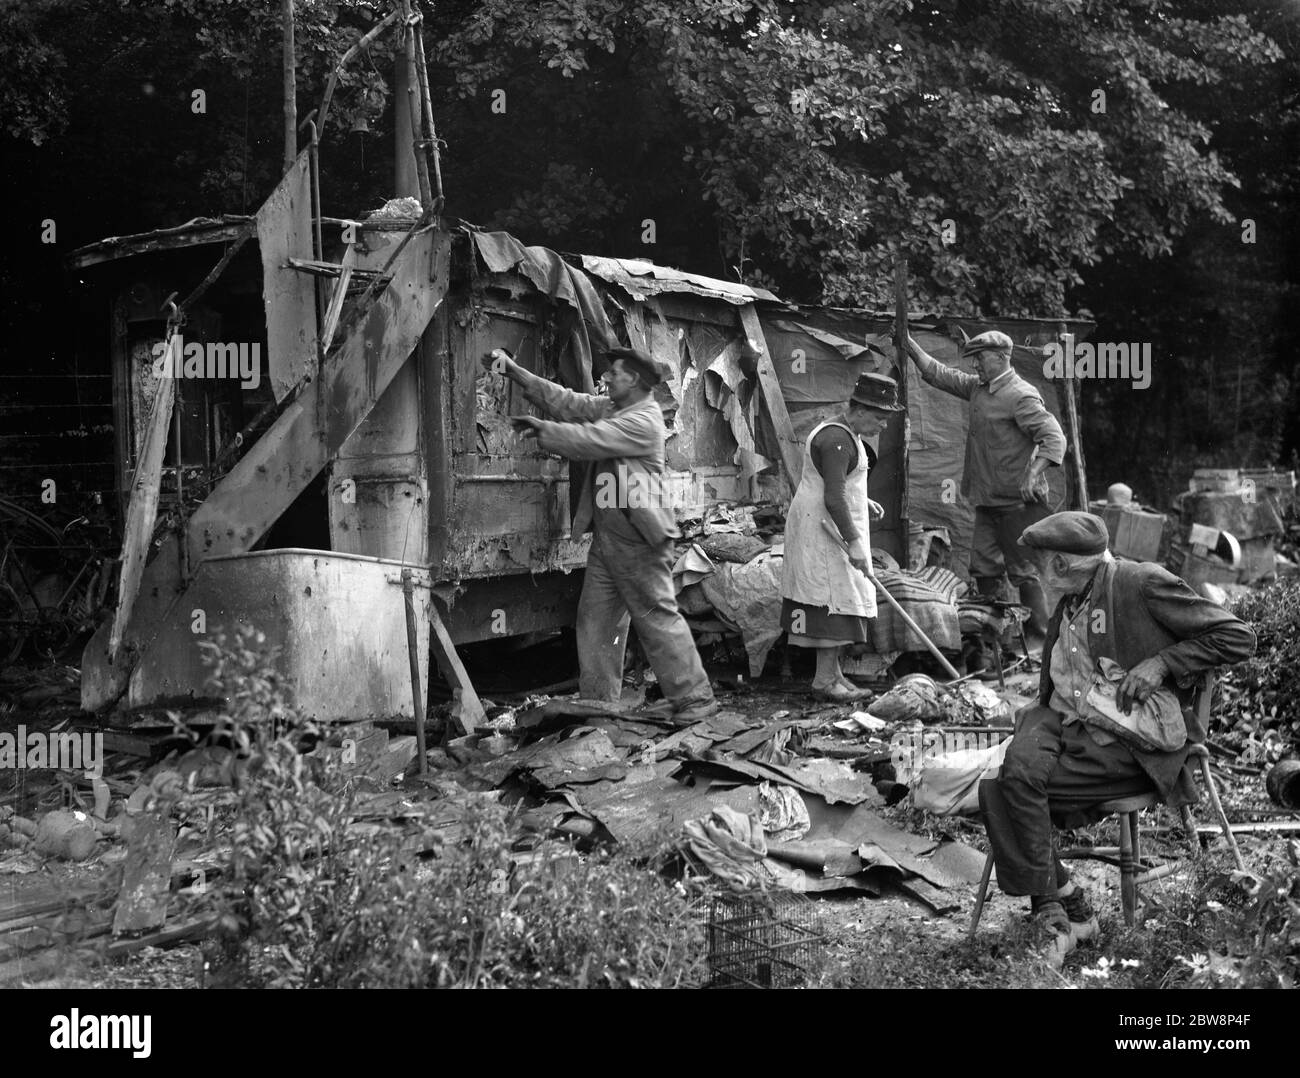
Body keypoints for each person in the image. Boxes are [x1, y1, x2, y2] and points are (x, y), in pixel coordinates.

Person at [978, 512, 1256, 967]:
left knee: (1008, 787)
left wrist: (1163, 663)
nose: (1031, 571)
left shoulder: (1140, 583)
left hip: (1130, 739)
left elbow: (1237, 636)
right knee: (1001, 782)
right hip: (1069, 728)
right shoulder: (1071, 596)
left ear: (1064, 565)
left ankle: (1058, 914)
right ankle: (1065, 898)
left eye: (1040, 562)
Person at [480, 345, 718, 723]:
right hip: (609, 540)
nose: (606, 377)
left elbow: (591, 439)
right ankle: (600, 703)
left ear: (636, 381)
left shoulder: (643, 420)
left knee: (656, 617)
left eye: (615, 373)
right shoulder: (615, 409)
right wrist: (514, 372)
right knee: (596, 622)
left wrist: (545, 430)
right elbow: (568, 402)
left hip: (640, 541)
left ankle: (695, 699)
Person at [904, 330, 1066, 640]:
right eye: (974, 357)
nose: (975, 363)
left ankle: (1039, 638)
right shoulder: (980, 389)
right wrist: (910, 346)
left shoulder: (1021, 395)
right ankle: (996, 637)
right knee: (984, 567)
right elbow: (940, 375)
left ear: (1001, 358)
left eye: (980, 357)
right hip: (988, 500)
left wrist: (1033, 473)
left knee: (1023, 572)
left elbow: (1053, 437)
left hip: (1018, 504)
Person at [780, 372, 901, 702]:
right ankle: (823, 682)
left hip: (826, 521)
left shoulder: (848, 432)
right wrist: (856, 543)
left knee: (843, 599)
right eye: (880, 417)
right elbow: (833, 497)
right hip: (821, 530)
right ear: (860, 410)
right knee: (831, 601)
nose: (883, 426)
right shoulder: (838, 440)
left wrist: (863, 499)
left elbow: (837, 483)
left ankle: (833, 674)